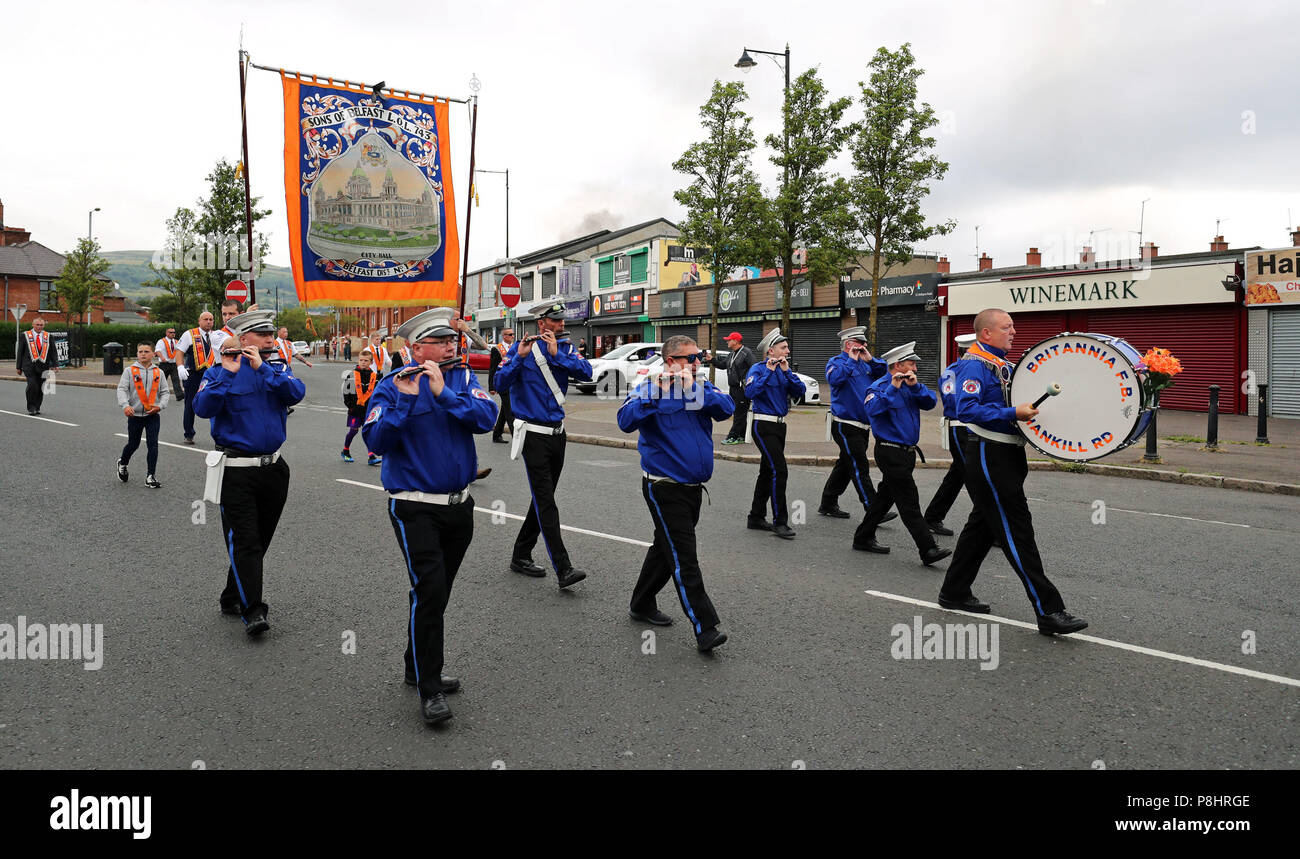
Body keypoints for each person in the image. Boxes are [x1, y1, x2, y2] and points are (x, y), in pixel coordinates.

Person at [363, 308, 497, 725]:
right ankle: (430, 687)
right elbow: (377, 439)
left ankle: (414, 665)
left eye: (451, 340)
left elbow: (487, 418)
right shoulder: (391, 386)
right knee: (431, 590)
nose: (451, 345)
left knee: (433, 593)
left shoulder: (460, 379)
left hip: (459, 506)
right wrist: (405, 400)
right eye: (440, 341)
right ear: (415, 348)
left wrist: (444, 394)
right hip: (414, 505)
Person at [937, 309, 1088, 636]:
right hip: (990, 455)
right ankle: (1049, 610)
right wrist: (1012, 412)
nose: (1014, 332)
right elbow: (966, 409)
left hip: (1004, 453)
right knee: (1018, 531)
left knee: (982, 527)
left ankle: (954, 591)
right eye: (1007, 327)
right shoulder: (974, 365)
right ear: (986, 334)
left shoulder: (1000, 364)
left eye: (1013, 327)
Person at [192, 309, 306, 635]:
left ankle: (231, 594)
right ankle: (253, 610)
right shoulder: (219, 371)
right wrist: (228, 373)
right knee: (247, 542)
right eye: (263, 334)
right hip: (237, 471)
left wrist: (264, 369)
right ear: (244, 339)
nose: (271, 339)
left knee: (259, 541)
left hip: (274, 469)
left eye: (271, 334)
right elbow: (202, 408)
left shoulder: (276, 369)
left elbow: (296, 393)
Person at [617, 335, 734, 652]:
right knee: (684, 557)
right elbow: (624, 421)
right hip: (663, 485)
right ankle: (705, 627)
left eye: (699, 357)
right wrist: (660, 391)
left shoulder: (700, 385)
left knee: (664, 546)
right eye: (690, 358)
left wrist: (695, 387)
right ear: (670, 362)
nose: (697, 363)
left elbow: (726, 409)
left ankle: (641, 603)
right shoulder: (649, 387)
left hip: (693, 487)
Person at [494, 301, 593, 589]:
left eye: (563, 321)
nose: (562, 325)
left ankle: (520, 554)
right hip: (533, 435)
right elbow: (500, 382)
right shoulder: (521, 348)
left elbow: (586, 372)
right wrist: (518, 358)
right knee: (547, 501)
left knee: (543, 497)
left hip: (557, 434)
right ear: (542, 324)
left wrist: (556, 355)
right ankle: (564, 568)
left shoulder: (564, 348)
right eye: (556, 321)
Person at [853, 342, 951, 566]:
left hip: (907, 453)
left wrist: (915, 387)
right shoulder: (878, 387)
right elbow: (871, 411)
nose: (915, 368)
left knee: (884, 498)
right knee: (909, 502)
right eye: (911, 364)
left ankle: (863, 536)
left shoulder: (911, 384)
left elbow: (930, 402)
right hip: (889, 451)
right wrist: (893, 388)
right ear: (897, 365)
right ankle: (928, 549)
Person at [819, 326, 894, 521]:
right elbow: (835, 380)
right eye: (861, 343)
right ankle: (874, 508)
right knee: (859, 465)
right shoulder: (836, 362)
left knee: (845, 464)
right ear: (849, 344)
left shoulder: (865, 363)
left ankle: (828, 502)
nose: (864, 345)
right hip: (845, 424)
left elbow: (884, 374)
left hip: (863, 425)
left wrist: (870, 359)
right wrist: (851, 360)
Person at [744, 329, 805, 540]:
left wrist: (787, 372)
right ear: (771, 350)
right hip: (763, 425)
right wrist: (769, 372)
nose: (788, 350)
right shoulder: (758, 369)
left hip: (780, 426)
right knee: (780, 471)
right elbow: (750, 393)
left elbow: (800, 391)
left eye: (787, 347)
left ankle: (756, 516)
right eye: (784, 347)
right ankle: (780, 521)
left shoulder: (784, 370)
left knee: (767, 472)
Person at [923, 333, 979, 536]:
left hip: (972, 428)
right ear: (970, 352)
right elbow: (952, 401)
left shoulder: (974, 370)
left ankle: (932, 517)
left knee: (957, 476)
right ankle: (989, 525)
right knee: (974, 476)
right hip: (960, 427)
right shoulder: (951, 372)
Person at [115, 341, 169, 488]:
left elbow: (165, 392)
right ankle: (123, 462)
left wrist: (160, 406)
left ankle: (150, 476)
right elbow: (122, 389)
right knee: (134, 444)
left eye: (146, 351)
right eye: (140, 352)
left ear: (153, 354)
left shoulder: (159, 372)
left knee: (153, 445)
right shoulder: (129, 371)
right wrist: (125, 405)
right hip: (134, 416)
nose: (143, 354)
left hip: (152, 415)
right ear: (137, 354)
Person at [176, 311, 218, 444]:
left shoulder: (216, 335)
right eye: (205, 319)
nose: (208, 322)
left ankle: (219, 434)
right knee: (190, 404)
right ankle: (189, 434)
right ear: (199, 321)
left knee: (217, 403)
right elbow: (179, 352)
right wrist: (180, 367)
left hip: (211, 375)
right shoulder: (190, 334)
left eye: (211, 319)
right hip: (193, 374)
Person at [341, 350, 382, 465]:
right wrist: (350, 406)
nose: (363, 363)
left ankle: (371, 456)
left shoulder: (375, 377)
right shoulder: (351, 374)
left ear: (371, 362)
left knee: (368, 431)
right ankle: (345, 450)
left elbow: (377, 393)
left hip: (368, 409)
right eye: (361, 360)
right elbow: (346, 391)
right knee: (353, 430)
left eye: (366, 361)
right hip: (355, 408)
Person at [717, 332, 756, 445]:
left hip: (742, 389)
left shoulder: (746, 353)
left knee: (739, 413)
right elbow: (723, 365)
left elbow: (754, 368)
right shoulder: (732, 354)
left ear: (736, 341)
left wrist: (747, 382)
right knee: (738, 412)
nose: (727, 341)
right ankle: (741, 436)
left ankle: (733, 436)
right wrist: (711, 360)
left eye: (729, 340)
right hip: (733, 388)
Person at [16, 316, 55, 415]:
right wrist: (18, 367)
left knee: (41, 387)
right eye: (37, 325)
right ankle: (31, 407)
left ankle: (37, 407)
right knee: (32, 386)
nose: (39, 327)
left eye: (41, 325)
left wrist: (56, 364)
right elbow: (20, 352)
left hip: (43, 366)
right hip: (29, 366)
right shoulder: (25, 335)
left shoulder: (48, 336)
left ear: (44, 325)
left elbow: (53, 351)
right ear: (33, 325)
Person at [489, 328, 515, 443]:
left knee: (505, 411)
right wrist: (492, 386)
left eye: (513, 334)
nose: (512, 336)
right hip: (503, 383)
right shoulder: (497, 349)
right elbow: (493, 368)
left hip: (512, 383)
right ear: (504, 336)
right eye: (510, 334)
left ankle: (497, 434)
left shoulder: (514, 347)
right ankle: (516, 437)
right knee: (510, 411)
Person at [154, 327, 185, 402]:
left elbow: (180, 352)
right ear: (166, 333)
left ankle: (179, 395)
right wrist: (162, 357)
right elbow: (157, 350)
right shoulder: (161, 341)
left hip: (174, 364)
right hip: (164, 364)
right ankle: (155, 394)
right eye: (170, 332)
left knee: (176, 379)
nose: (173, 334)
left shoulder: (177, 342)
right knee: (160, 380)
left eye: (174, 332)